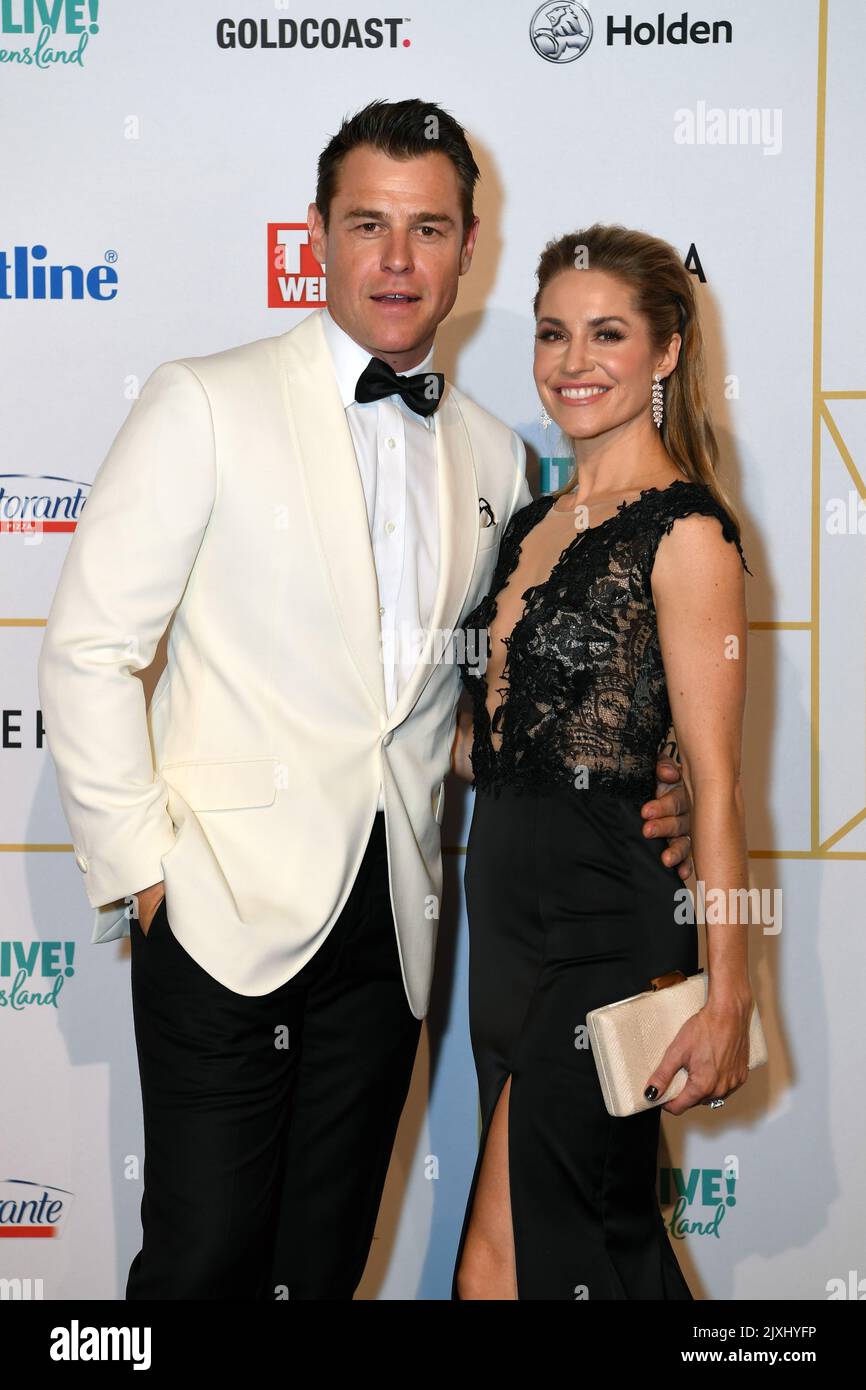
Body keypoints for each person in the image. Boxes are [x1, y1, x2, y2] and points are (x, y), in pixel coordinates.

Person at [37, 103, 693, 1301]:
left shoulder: (496, 455)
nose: (397, 260)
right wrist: (145, 875)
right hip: (221, 911)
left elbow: (462, 709)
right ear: (318, 237)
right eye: (369, 226)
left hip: (392, 932)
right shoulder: (204, 399)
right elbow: (87, 649)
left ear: (467, 247)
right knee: (200, 1264)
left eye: (427, 228)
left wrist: (640, 785)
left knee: (320, 1265)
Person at [450, 224, 754, 1301]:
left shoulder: (685, 535)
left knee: (515, 1247)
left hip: (606, 923)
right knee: (569, 1237)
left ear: (665, 351)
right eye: (551, 334)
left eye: (606, 333)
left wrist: (725, 994)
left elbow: (713, 783)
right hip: (506, 917)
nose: (571, 360)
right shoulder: (527, 522)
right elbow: (487, 738)